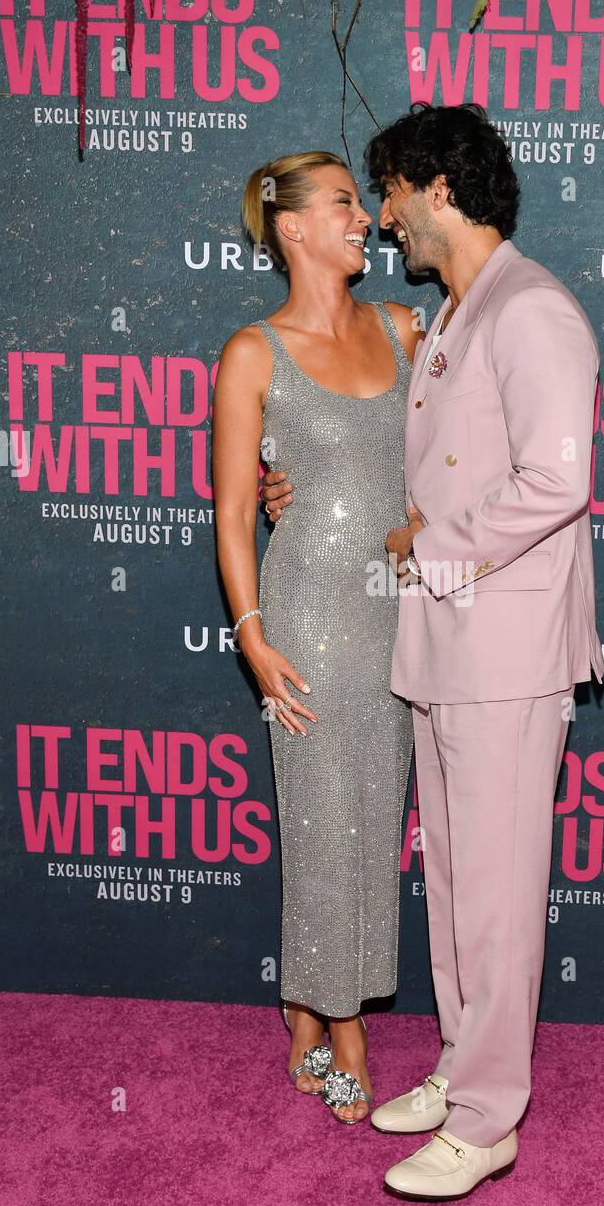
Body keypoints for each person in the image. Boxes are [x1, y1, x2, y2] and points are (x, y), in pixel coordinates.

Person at [263, 101, 604, 1196]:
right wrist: (296, 490)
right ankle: (462, 1075)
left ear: (437, 187)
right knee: (458, 887)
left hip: (505, 651)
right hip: (445, 649)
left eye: (392, 191)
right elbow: (398, 456)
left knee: (498, 899)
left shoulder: (531, 310)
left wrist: (431, 546)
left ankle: (491, 1119)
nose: (384, 216)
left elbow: (558, 482)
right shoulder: (455, 313)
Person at [212, 151, 422, 1124]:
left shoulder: (401, 327)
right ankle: (340, 1028)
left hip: (397, 616)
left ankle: (305, 998)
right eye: (343, 202)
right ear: (292, 227)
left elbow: (443, 462)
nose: (364, 218)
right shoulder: (252, 352)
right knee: (319, 822)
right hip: (303, 618)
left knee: (373, 818)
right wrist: (252, 638)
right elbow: (229, 515)